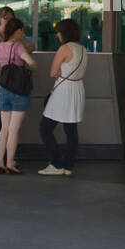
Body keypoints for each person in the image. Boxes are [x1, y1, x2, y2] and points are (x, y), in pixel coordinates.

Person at [0, 7, 31, 166]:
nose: (7, 20)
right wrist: (11, 54)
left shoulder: (16, 38)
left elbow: (31, 45)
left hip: (9, 82)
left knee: (4, 119)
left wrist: (18, 50)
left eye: (10, 18)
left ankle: (1, 156)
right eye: (5, 17)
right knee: (0, 117)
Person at [40, 19, 88, 176]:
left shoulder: (64, 48)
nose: (57, 34)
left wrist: (60, 71)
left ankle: (56, 163)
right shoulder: (83, 49)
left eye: (59, 31)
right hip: (77, 89)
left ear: (64, 32)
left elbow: (53, 73)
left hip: (63, 91)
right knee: (71, 130)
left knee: (45, 128)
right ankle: (68, 166)